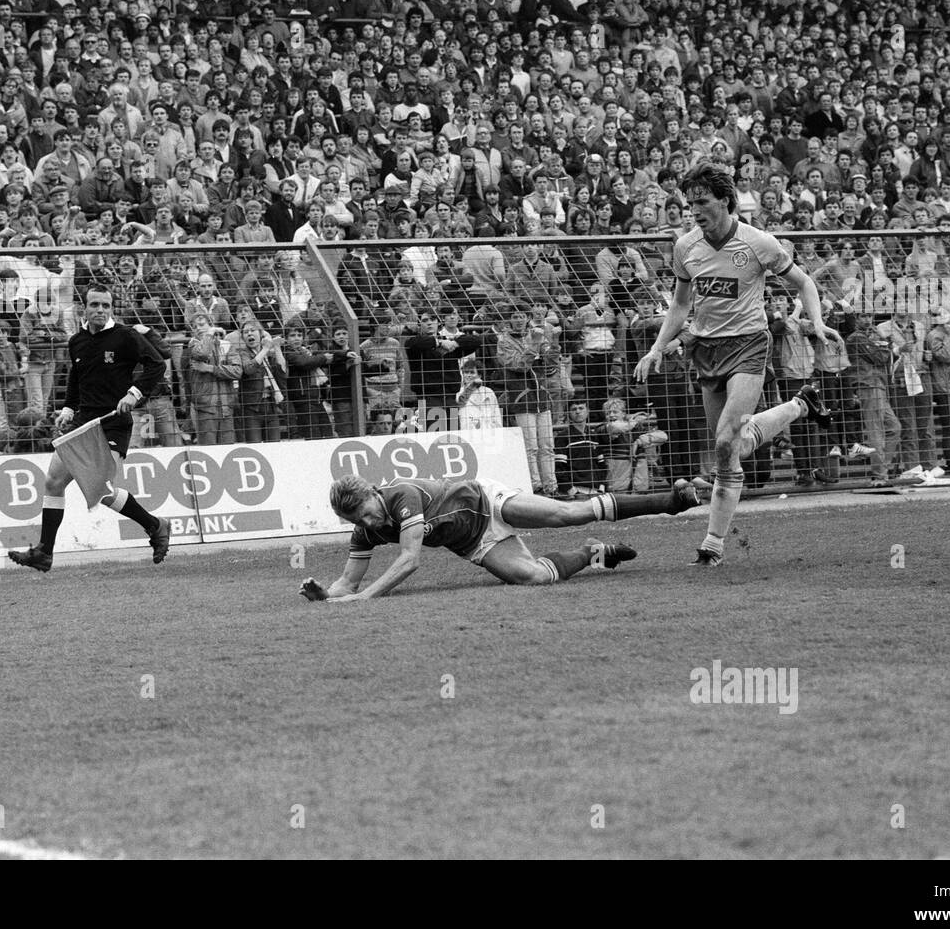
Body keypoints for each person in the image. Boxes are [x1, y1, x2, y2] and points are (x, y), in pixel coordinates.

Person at [633, 163, 837, 566]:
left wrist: (816, 322)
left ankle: (712, 545)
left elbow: (804, 282)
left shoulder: (758, 242)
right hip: (706, 350)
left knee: (726, 441)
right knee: (733, 447)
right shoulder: (686, 247)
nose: (695, 210)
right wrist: (656, 348)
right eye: (690, 203)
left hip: (748, 345)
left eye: (702, 202)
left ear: (725, 200)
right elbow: (680, 305)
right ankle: (800, 405)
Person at [303, 474, 701, 602]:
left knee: (568, 514)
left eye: (366, 511)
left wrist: (365, 598)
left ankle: (670, 500)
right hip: (474, 542)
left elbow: (410, 559)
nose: (367, 522)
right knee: (534, 577)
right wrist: (326, 594)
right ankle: (593, 552)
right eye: (356, 519)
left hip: (486, 501)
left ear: (374, 493)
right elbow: (347, 583)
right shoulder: (365, 529)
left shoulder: (401, 495)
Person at [8, 286, 171, 572]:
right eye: (94, 304)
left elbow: (157, 365)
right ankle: (44, 552)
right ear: (84, 307)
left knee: (102, 491)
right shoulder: (77, 341)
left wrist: (133, 394)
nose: (100, 310)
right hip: (84, 424)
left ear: (111, 308)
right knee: (53, 482)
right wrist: (69, 409)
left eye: (105, 305)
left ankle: (155, 525)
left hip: (114, 424)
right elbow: (77, 376)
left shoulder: (125, 336)